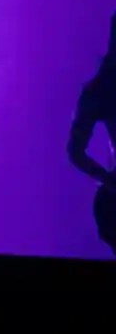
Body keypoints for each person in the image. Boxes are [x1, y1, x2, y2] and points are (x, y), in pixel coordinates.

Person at [69, 13, 116, 253]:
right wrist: (108, 181)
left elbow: (75, 152)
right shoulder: (101, 89)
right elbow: (74, 152)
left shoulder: (100, 89)